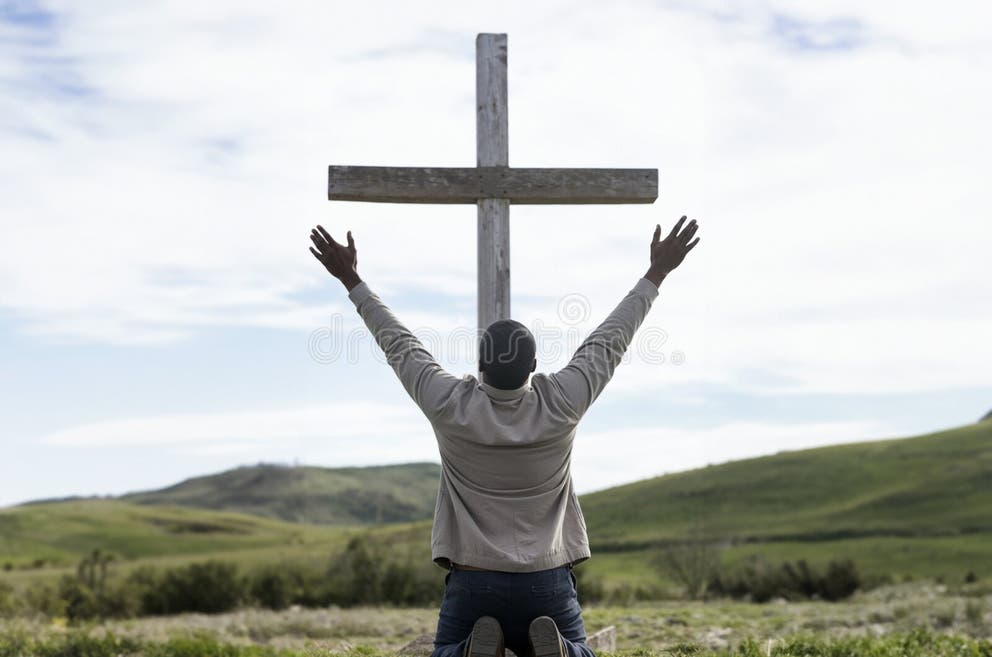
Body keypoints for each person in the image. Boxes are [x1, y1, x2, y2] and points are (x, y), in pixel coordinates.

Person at [309, 217, 701, 657]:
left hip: (474, 578)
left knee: (441, 654)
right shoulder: (562, 402)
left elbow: (399, 344)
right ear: (533, 366)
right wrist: (657, 273)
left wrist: (351, 279)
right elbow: (611, 340)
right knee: (583, 651)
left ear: (479, 363)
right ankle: (566, 652)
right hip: (547, 580)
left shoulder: (450, 405)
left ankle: (470, 653)